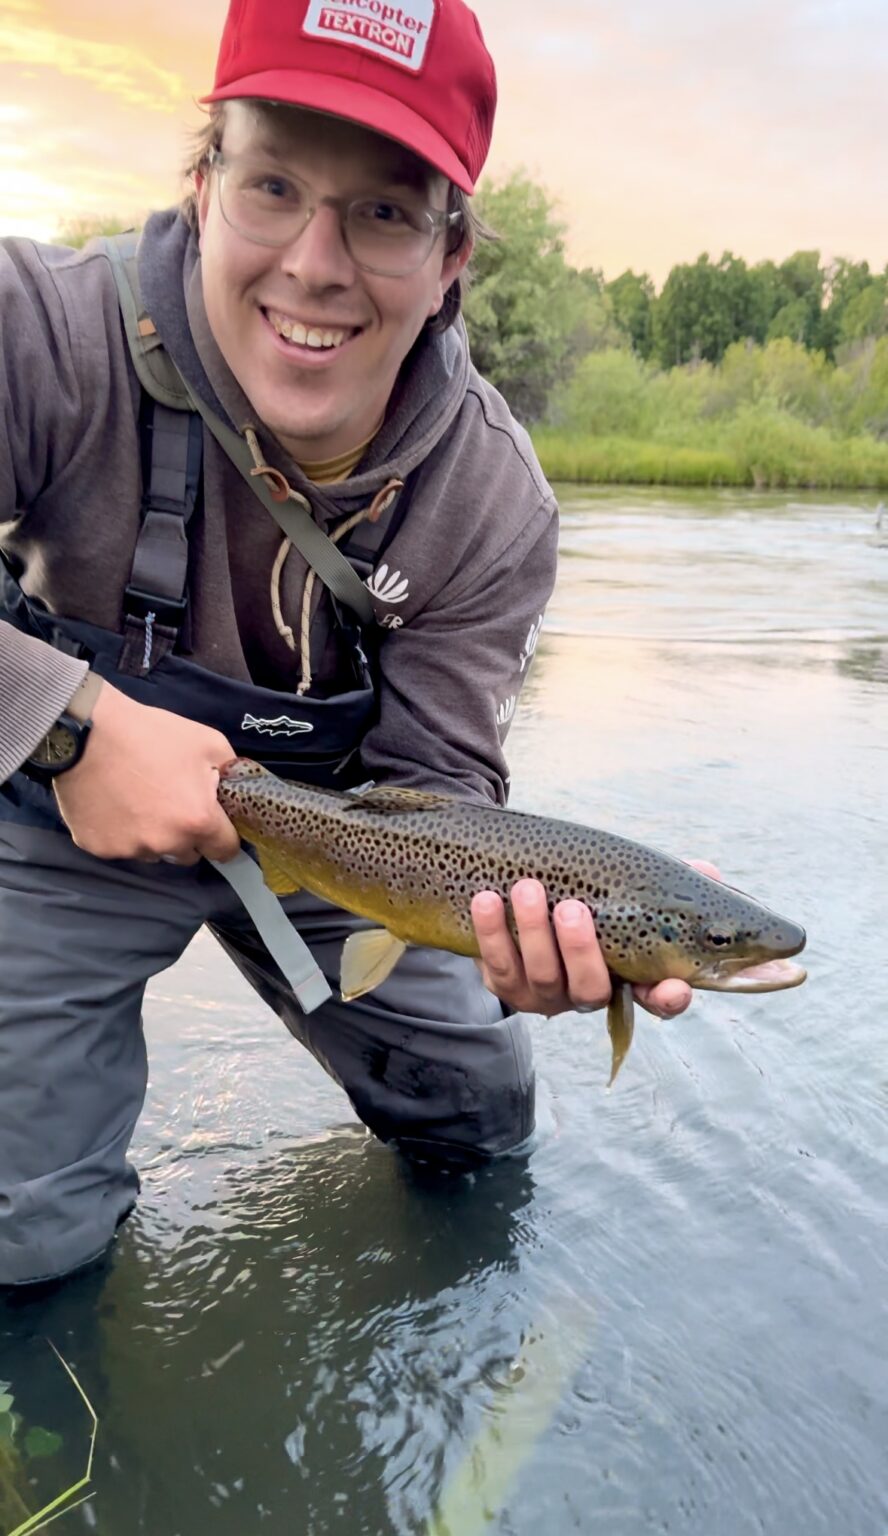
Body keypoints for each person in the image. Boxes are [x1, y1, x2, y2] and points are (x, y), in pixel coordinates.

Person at [0, 0, 694, 1288]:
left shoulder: (494, 501)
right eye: (273, 185)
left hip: (345, 854)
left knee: (481, 1120)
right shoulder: (35, 330)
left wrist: (530, 921)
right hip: (47, 809)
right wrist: (65, 718)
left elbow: (436, 788)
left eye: (381, 212)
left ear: (452, 258)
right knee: (21, 1231)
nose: (316, 264)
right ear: (202, 186)